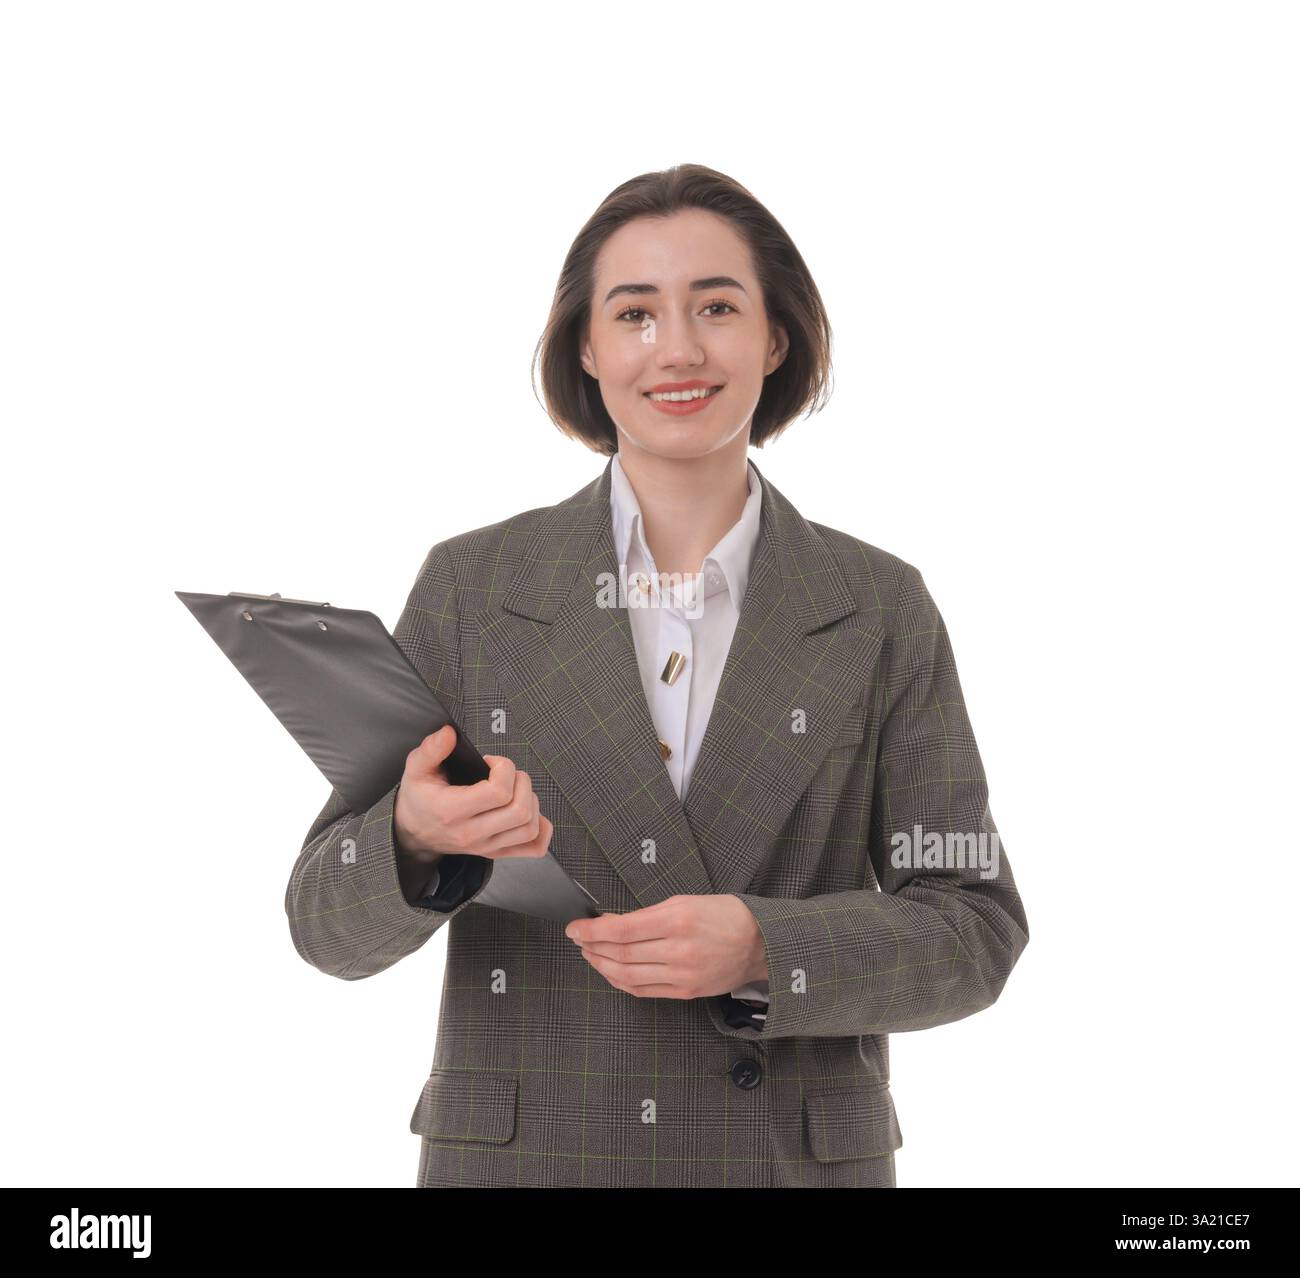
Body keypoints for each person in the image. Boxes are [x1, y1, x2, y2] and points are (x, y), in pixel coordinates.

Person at [284, 163, 1029, 1188]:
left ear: (774, 337)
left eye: (715, 307)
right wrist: (413, 841)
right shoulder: (473, 588)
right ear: (585, 348)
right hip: (527, 1161)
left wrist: (768, 947)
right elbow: (324, 925)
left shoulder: (877, 605)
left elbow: (974, 926)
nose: (675, 348)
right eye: (634, 313)